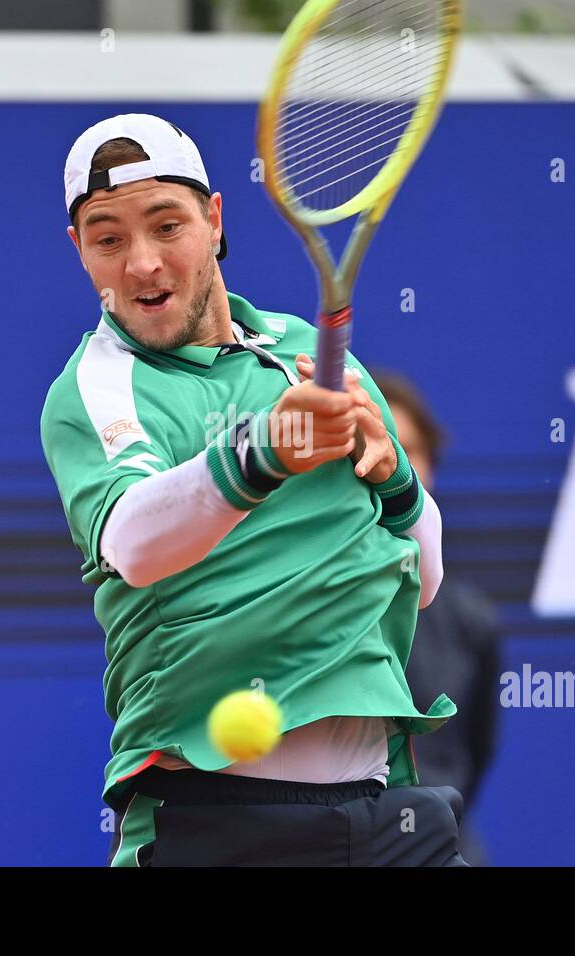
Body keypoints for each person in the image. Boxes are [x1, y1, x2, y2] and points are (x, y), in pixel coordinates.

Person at [40, 113, 468, 866]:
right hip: (213, 826)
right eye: (108, 238)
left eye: (166, 226)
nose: (141, 263)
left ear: (213, 221)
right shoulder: (96, 387)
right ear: (80, 254)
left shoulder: (309, 355)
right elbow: (135, 543)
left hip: (385, 818)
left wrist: (396, 477)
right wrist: (264, 450)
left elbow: (426, 579)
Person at [372, 372, 503, 866]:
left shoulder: (472, 621)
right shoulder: (297, 599)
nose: (389, 465)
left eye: (407, 450)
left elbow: (477, 751)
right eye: (378, 445)